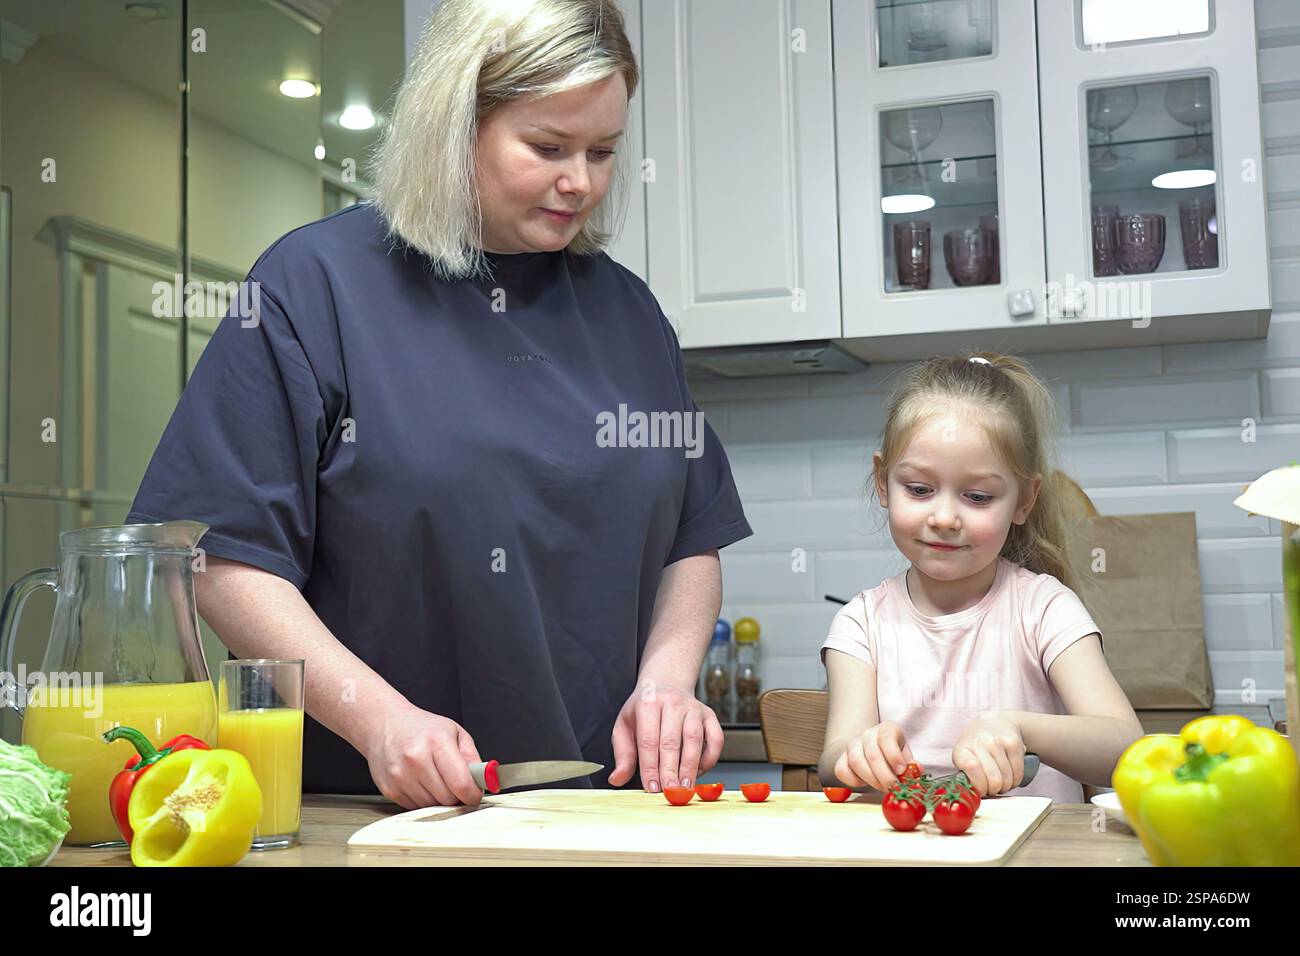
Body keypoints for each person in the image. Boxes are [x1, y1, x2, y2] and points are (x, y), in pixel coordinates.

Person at [127, 0, 751, 809]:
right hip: (379, 816)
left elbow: (692, 539)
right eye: (548, 147)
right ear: (453, 124)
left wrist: (667, 678)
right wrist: (381, 722)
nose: (581, 182)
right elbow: (222, 556)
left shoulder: (630, 315)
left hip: (602, 809)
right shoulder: (314, 287)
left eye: (603, 151)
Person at [818, 352, 1143, 802]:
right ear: (882, 481)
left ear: (1024, 500)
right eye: (919, 489)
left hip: (1038, 841)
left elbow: (1125, 748)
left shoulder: (1045, 608)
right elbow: (832, 762)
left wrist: (1018, 728)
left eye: (977, 497)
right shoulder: (862, 623)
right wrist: (859, 755)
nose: (944, 517)